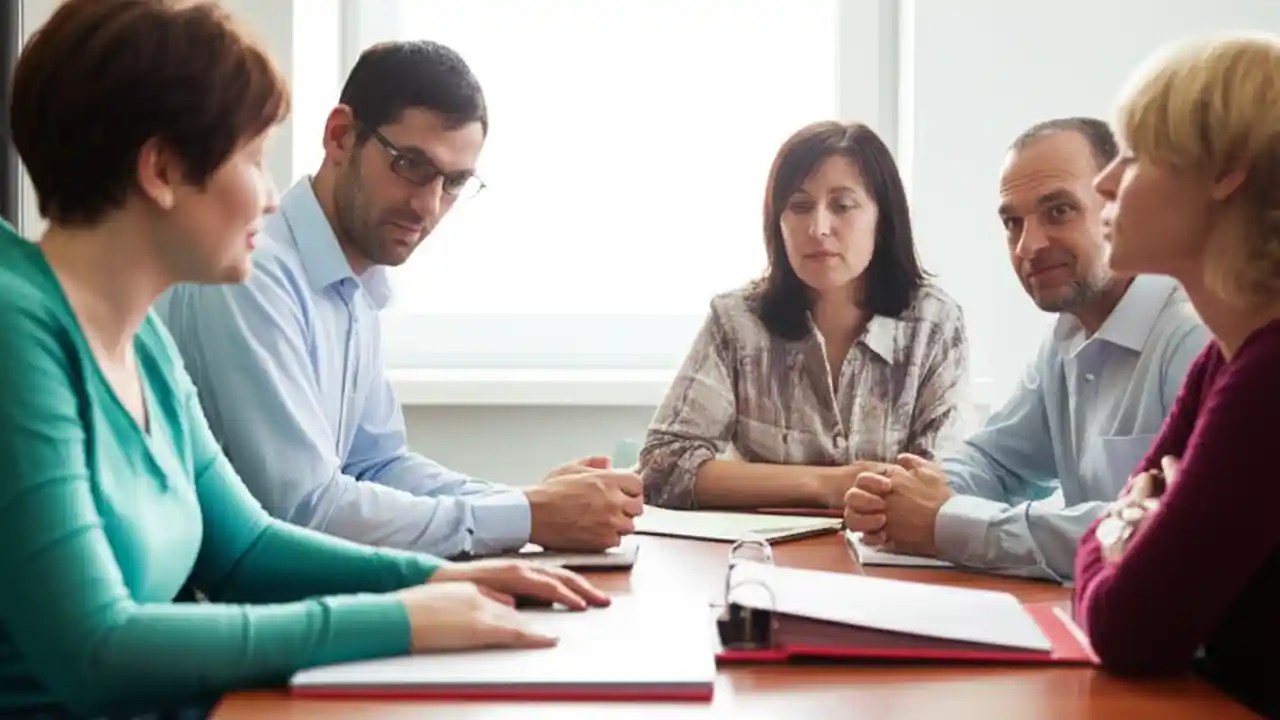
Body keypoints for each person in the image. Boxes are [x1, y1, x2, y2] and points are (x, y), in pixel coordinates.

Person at [0, 2, 608, 717]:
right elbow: (93, 651)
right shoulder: (18, 333)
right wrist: (403, 617)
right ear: (162, 169)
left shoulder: (143, 343)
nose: (266, 196)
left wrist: (434, 579)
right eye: (252, 159)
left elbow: (246, 547)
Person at [157, 40, 641, 559]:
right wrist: (528, 515)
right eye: (411, 165)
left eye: (453, 183)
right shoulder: (254, 273)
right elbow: (305, 511)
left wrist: (530, 502)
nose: (427, 206)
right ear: (341, 137)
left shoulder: (356, 283)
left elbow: (377, 464)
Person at [843, 117, 1209, 581]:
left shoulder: (1194, 336)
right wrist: (903, 499)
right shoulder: (1067, 335)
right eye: (1012, 222)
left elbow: (1164, 530)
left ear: (1122, 204)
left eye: (1058, 211)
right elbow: (995, 459)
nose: (1028, 245)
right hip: (1096, 620)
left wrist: (945, 522)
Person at [1074, 34, 1280, 717]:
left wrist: (1118, 528)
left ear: (1226, 171)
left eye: (1133, 156)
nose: (1105, 182)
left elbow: (1128, 629)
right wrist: (1126, 526)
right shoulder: (1224, 359)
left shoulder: (1269, 377)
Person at [640, 121, 971, 511]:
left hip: (886, 558)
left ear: (882, 221)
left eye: (842, 206)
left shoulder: (934, 324)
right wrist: (825, 484)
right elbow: (662, 469)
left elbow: (939, 484)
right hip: (761, 558)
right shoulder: (736, 321)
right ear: (777, 222)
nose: (818, 228)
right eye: (798, 206)